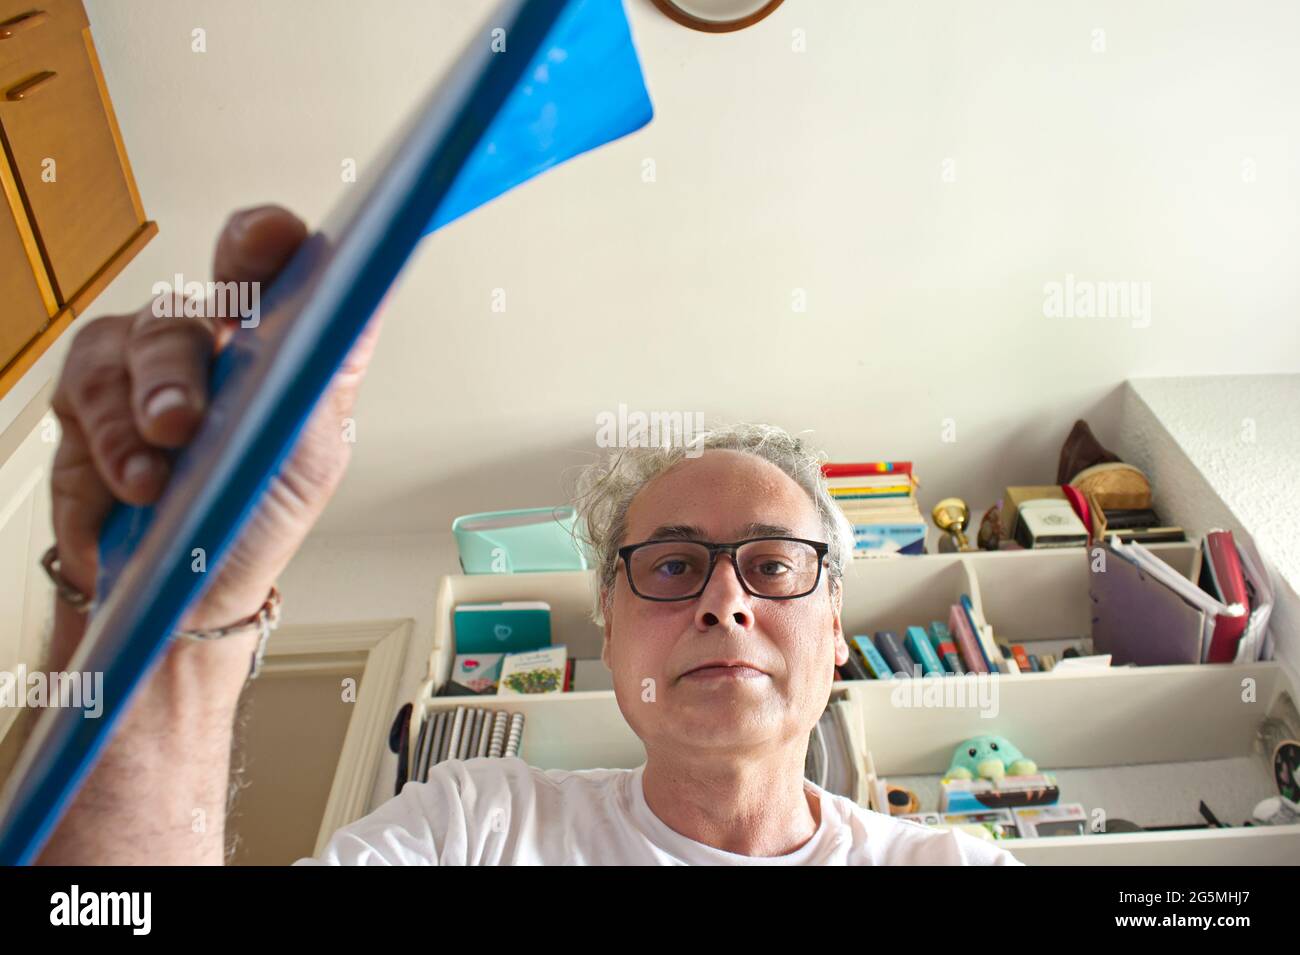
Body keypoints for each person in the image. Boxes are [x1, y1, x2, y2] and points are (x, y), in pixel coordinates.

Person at [34, 205, 1021, 866]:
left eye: (770, 565)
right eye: (673, 566)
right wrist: (166, 625)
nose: (725, 601)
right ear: (610, 624)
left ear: (837, 628)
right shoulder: (475, 825)